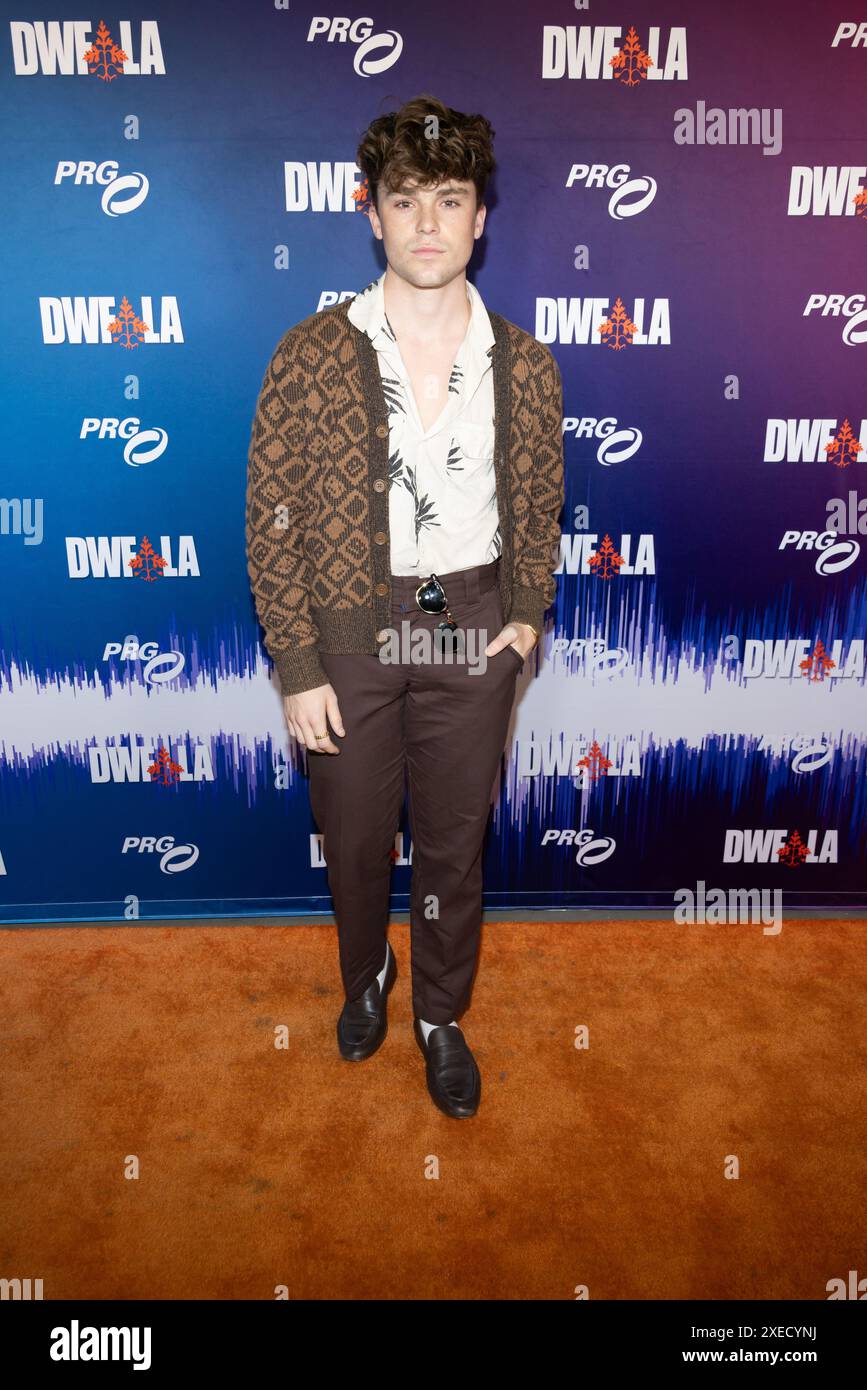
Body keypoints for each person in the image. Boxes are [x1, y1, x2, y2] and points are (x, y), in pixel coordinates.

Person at [246, 94, 564, 1118]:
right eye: (405, 199)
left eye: (451, 199)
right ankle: (363, 976)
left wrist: (524, 618)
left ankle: (439, 1013)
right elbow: (272, 516)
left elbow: (539, 500)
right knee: (350, 841)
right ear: (370, 213)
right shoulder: (308, 353)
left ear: (481, 218)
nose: (428, 222)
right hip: (348, 633)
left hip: (473, 627)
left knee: (453, 844)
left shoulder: (524, 365)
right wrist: (298, 665)